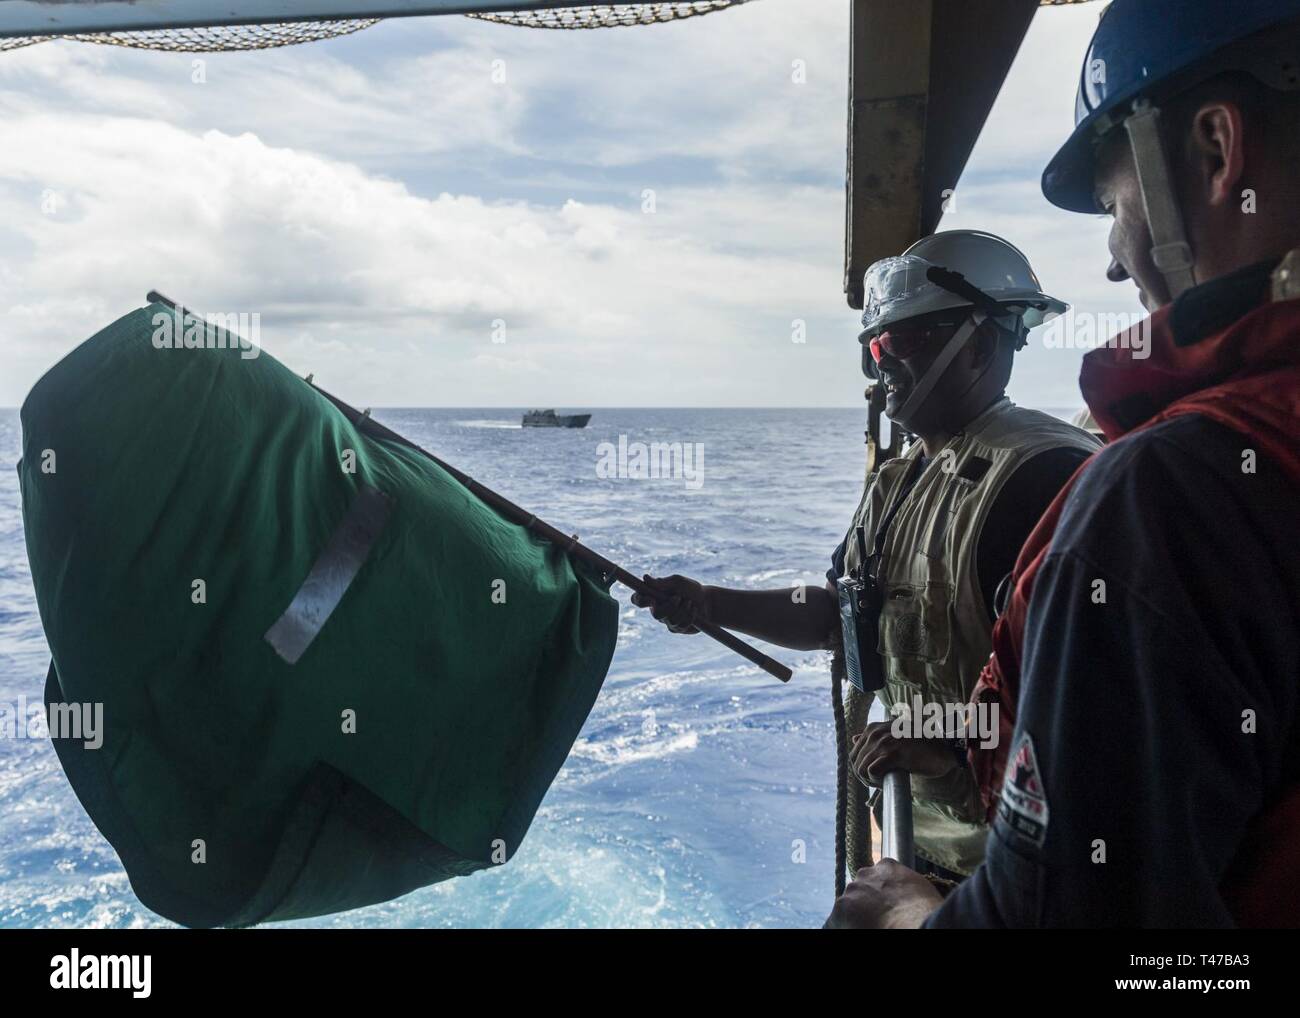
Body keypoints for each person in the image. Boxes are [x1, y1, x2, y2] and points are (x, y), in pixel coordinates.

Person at [828, 0, 1300, 929]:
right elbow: (1131, 729)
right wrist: (936, 734)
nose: (1121, 268)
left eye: (1120, 208)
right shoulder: (912, 478)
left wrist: (907, 920)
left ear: (1215, 151)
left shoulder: (1135, 493)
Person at [634, 230, 1099, 881]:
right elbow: (839, 618)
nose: (883, 362)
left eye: (905, 341)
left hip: (1017, 869)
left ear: (980, 346)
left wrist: (947, 760)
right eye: (877, 345)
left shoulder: (1042, 479)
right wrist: (712, 604)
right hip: (921, 844)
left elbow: (1086, 699)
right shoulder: (898, 480)